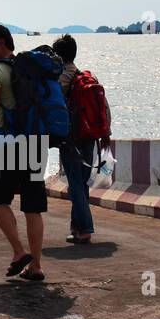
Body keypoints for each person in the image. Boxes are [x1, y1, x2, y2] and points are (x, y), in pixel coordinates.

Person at [0, 23, 47, 282]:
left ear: (1, 44)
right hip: (36, 141)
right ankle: (36, 266)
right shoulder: (26, 68)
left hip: (9, 143)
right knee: (33, 206)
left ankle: (19, 252)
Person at [53, 34, 106, 245]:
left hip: (72, 137)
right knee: (80, 182)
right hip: (90, 135)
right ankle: (76, 228)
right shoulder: (88, 77)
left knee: (75, 183)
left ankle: (85, 229)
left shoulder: (62, 77)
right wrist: (105, 134)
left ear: (58, 55)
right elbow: (104, 107)